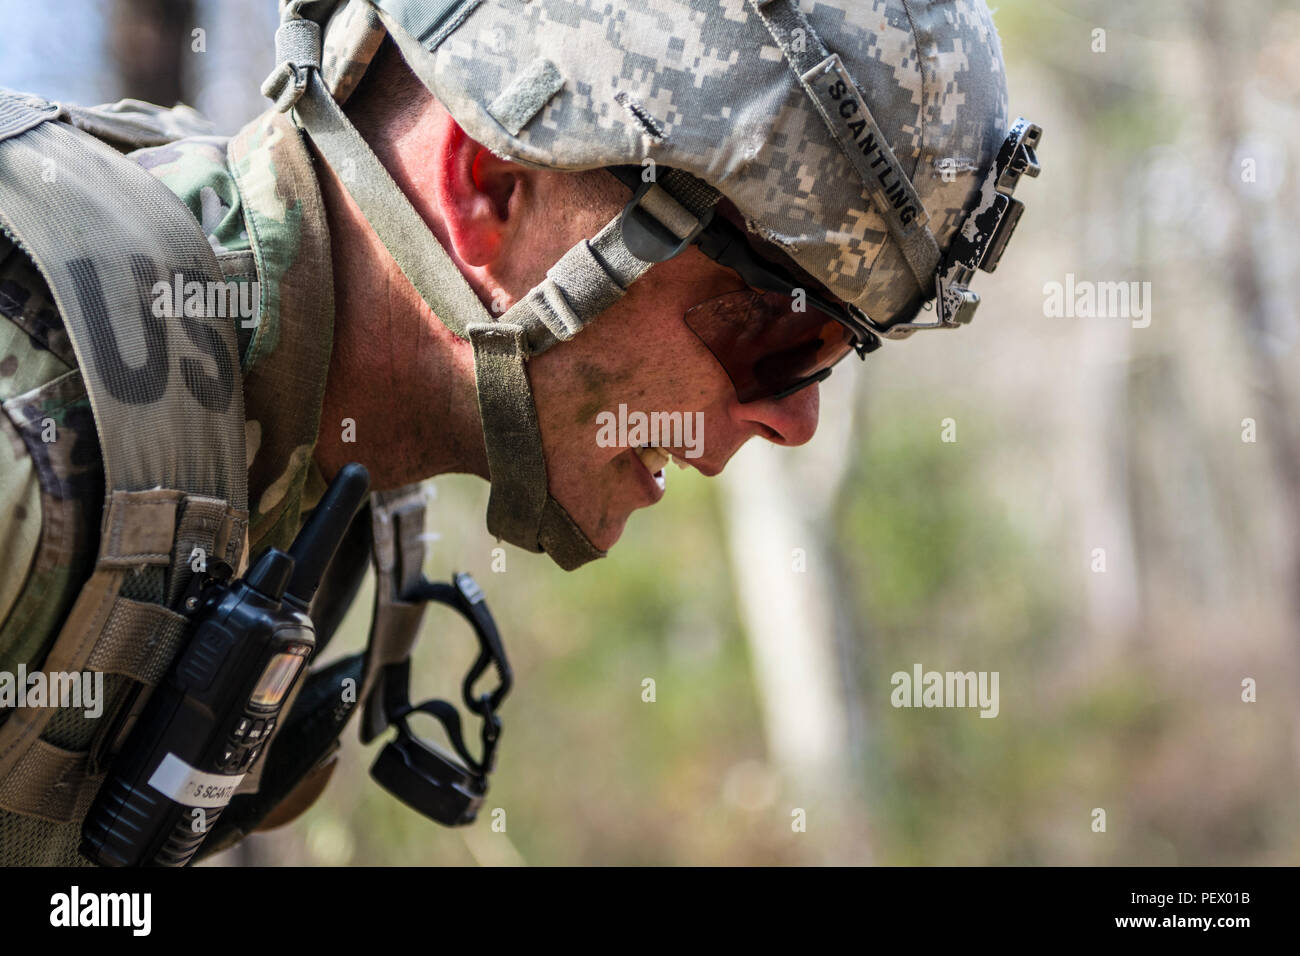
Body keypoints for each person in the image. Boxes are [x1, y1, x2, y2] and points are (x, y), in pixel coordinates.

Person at [0, 0, 1039, 864]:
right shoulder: (47, 426)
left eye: (831, 348)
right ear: (487, 188)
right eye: (773, 324)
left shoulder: (306, 451)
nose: (795, 417)